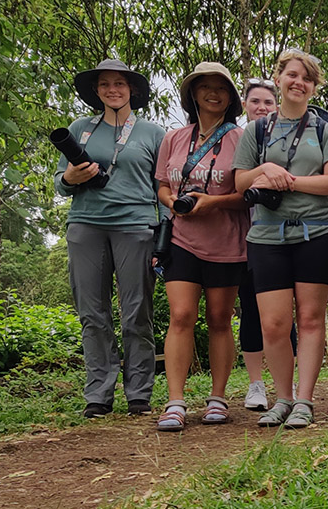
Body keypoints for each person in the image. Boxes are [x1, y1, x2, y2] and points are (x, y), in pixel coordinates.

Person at [233, 49, 328, 428]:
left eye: (307, 78)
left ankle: (304, 400)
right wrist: (265, 167)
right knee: (274, 325)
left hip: (317, 232)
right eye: (292, 74)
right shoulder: (256, 130)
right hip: (266, 236)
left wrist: (289, 180)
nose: (299, 82)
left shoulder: (324, 130)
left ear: (313, 88)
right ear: (279, 78)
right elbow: (239, 181)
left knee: (312, 319)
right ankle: (281, 398)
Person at [54, 59, 165, 418]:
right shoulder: (80, 129)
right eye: (105, 84)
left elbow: (162, 188)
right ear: (96, 90)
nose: (112, 89)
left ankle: (139, 393)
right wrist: (71, 177)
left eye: (120, 83)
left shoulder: (153, 133)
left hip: (135, 226)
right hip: (86, 225)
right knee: (92, 312)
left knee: (136, 311)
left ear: (132, 89)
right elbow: (59, 183)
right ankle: (98, 393)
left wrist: (163, 237)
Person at [152, 62, 249, 431]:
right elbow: (162, 183)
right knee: (181, 316)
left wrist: (213, 202)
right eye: (205, 87)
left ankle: (218, 397)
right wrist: (172, 201)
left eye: (221, 88)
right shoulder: (173, 138)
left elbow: (248, 194)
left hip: (226, 241)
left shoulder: (240, 139)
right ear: (193, 94)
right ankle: (175, 400)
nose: (213, 93)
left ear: (231, 97)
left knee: (220, 319)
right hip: (181, 240)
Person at [236, 78, 295, 412]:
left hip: (279, 235)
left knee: (285, 316)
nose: (261, 107)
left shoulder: (287, 139)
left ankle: (288, 383)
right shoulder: (239, 139)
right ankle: (256, 383)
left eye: (268, 103)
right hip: (241, 237)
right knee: (251, 311)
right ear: (245, 105)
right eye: (255, 101)